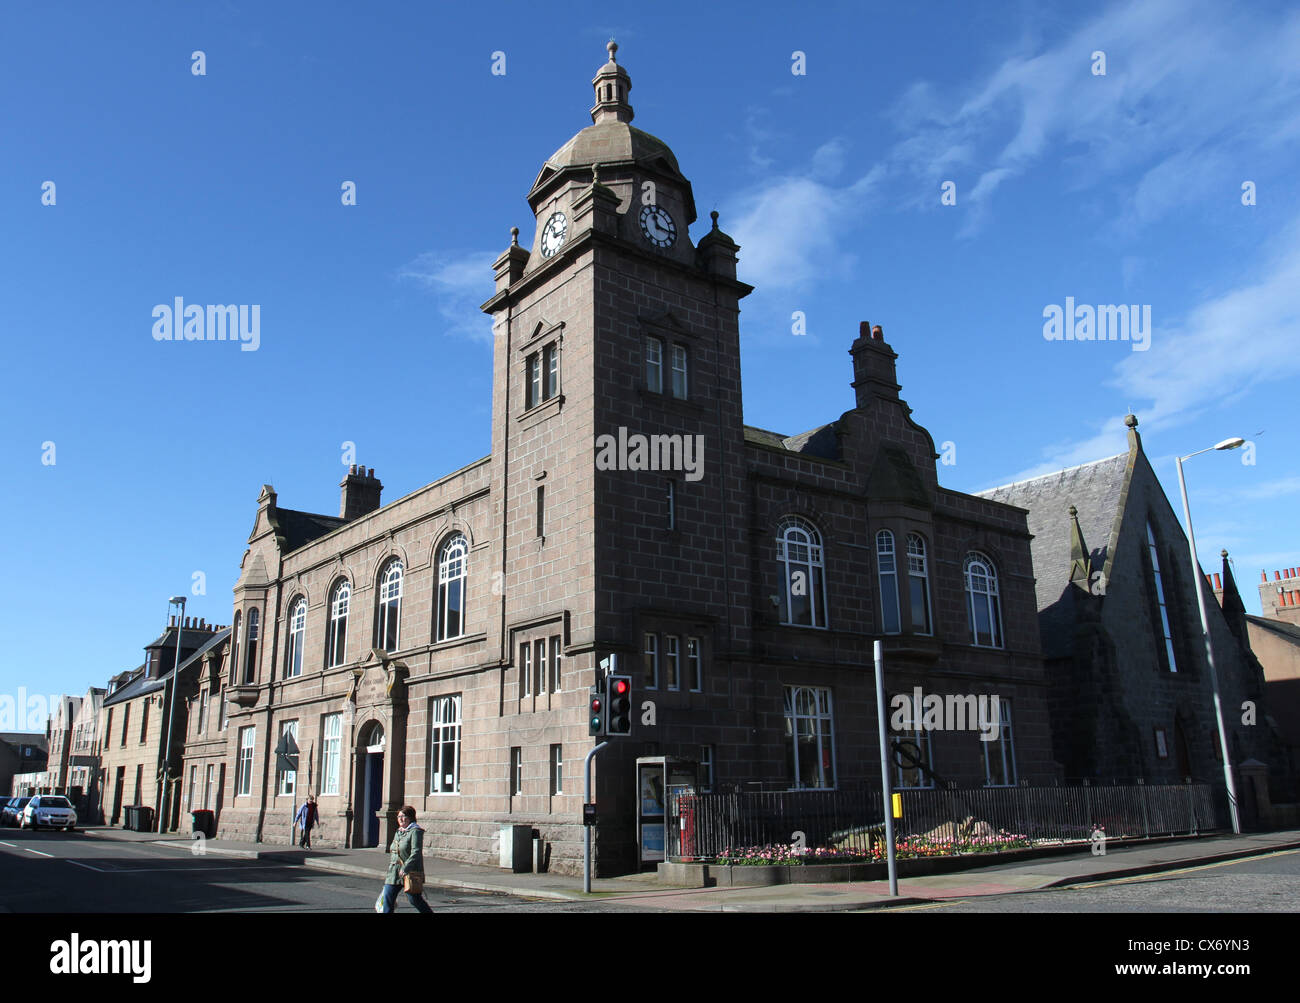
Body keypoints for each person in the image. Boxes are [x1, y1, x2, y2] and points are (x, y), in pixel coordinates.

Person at [379, 805, 433, 914]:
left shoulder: (415, 831)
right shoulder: (398, 832)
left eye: (404, 816)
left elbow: (416, 852)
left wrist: (406, 868)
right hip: (394, 872)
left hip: (410, 872)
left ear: (410, 817)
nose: (401, 819)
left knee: (414, 900)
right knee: (387, 899)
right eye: (399, 816)